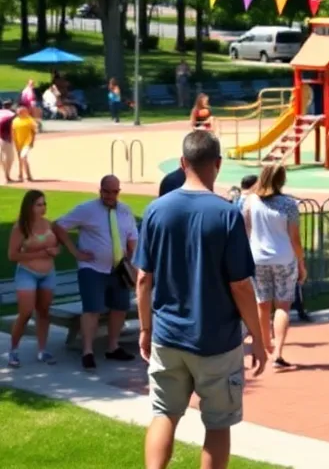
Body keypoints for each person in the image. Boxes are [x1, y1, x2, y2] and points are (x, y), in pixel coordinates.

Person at [134, 130, 267, 469]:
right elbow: (240, 285)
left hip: (167, 334)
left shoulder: (155, 211)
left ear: (182, 163)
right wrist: (259, 337)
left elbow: (143, 279)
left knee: (164, 413)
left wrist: (145, 329)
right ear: (218, 165)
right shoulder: (226, 214)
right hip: (216, 340)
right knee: (218, 423)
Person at [52, 174, 139, 369]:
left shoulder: (125, 211)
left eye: (114, 192)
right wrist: (75, 251)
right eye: (106, 191)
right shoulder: (87, 209)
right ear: (100, 190)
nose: (110, 196)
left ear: (119, 192)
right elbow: (58, 225)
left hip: (119, 269)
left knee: (120, 307)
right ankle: (88, 351)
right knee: (92, 309)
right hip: (92, 269)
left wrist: (134, 265)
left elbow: (132, 240)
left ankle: (113, 347)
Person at [241, 164, 306, 369]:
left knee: (262, 303)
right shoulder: (288, 204)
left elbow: (246, 230)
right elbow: (295, 238)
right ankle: (278, 351)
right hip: (284, 258)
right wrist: (301, 263)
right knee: (283, 305)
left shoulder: (250, 201)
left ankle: (264, 344)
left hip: (258, 258)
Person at [7, 190, 59, 367]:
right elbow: (12, 255)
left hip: (48, 273)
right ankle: (13, 350)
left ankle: (42, 350)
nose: (43, 208)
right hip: (27, 273)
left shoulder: (49, 224)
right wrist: (40, 253)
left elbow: (56, 247)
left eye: (44, 204)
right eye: (39, 204)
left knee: (44, 311)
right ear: (29, 206)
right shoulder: (20, 228)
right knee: (26, 312)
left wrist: (54, 252)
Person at [12, 106, 36, 182]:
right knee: (20, 159)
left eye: (20, 112)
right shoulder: (15, 121)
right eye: (18, 112)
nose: (19, 113)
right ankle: (20, 175)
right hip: (19, 142)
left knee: (23, 157)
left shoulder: (30, 120)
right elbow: (13, 131)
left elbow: (33, 132)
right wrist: (14, 141)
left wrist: (32, 142)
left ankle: (29, 176)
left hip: (27, 141)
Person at [0, 99, 14, 183]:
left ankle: (6, 175)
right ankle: (7, 176)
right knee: (9, 158)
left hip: (3, 138)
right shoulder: (11, 114)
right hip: (6, 138)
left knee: (4, 158)